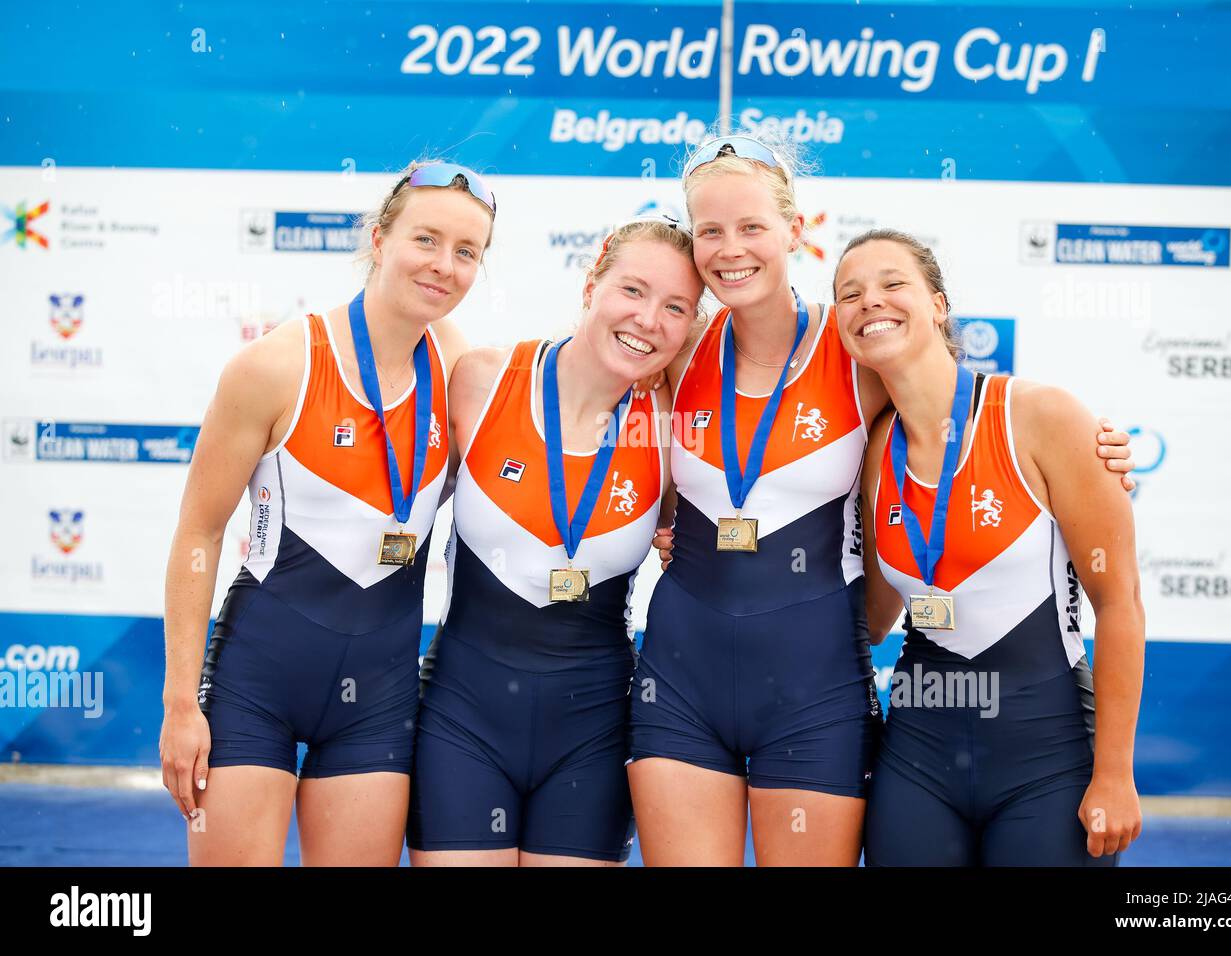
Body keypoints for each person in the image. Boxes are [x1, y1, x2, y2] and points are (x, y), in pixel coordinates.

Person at [631, 135, 1137, 866]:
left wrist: (1099, 449)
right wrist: (663, 524)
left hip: (835, 696)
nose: (730, 247)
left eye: (750, 227)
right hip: (700, 681)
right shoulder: (680, 347)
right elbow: (593, 422)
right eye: (709, 229)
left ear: (793, 231)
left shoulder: (859, 358)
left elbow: (958, 420)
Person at [159, 161, 494, 865]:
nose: (444, 265)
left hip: (379, 696)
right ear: (379, 237)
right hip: (258, 681)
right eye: (426, 239)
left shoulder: (463, 373)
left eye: (467, 252)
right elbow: (199, 533)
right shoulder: (276, 366)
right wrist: (180, 705)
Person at [836, 229, 1144, 865]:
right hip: (917, 759)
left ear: (939, 305)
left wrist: (1115, 773)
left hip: (1048, 757)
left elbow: (1119, 605)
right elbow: (872, 618)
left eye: (893, 284)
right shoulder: (873, 451)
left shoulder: (1040, 416)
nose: (871, 301)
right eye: (850, 294)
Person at [407, 218, 703, 866]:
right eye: (633, 290)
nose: (648, 319)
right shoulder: (481, 381)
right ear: (594, 277)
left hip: (592, 733)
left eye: (675, 307)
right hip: (464, 719)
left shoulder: (672, 426)